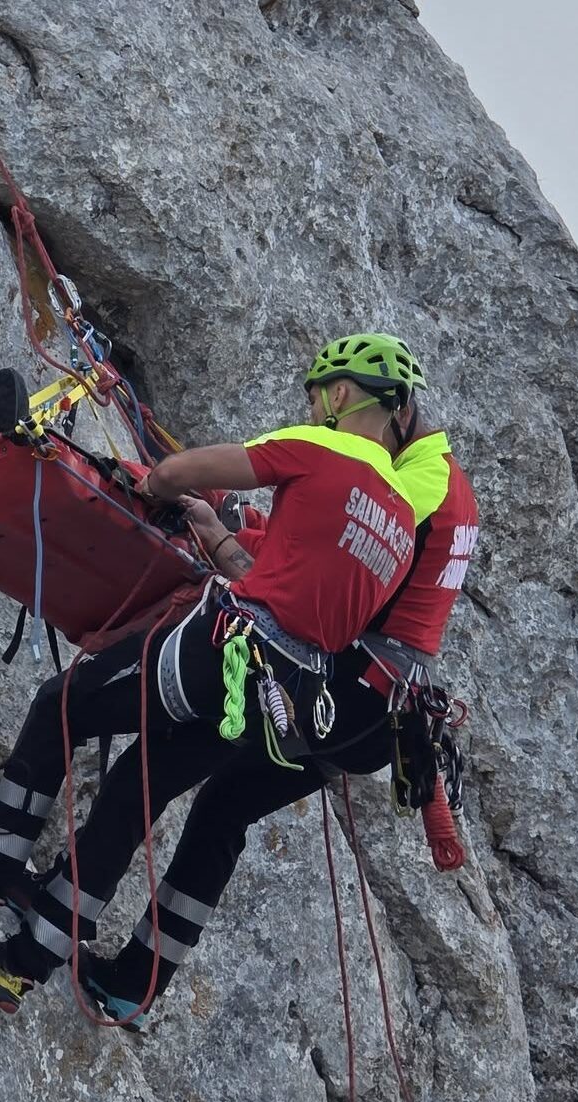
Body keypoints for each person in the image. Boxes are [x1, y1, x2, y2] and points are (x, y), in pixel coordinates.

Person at [0, 333, 427, 1012]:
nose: (316, 407)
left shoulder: (327, 448)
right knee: (130, 795)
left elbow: (191, 469)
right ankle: (23, 962)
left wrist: (153, 485)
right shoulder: (397, 525)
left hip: (220, 652)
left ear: (340, 393)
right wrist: (215, 533)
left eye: (318, 396)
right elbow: (285, 584)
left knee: (63, 705)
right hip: (281, 701)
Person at [72, 396, 480, 1026]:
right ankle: (136, 981)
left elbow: (344, 561)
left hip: (343, 692)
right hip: (370, 710)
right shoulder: (450, 483)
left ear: (396, 413)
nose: (346, 437)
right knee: (222, 807)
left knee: (154, 768)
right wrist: (237, 533)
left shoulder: (419, 481)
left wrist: (230, 543)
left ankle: (62, 914)